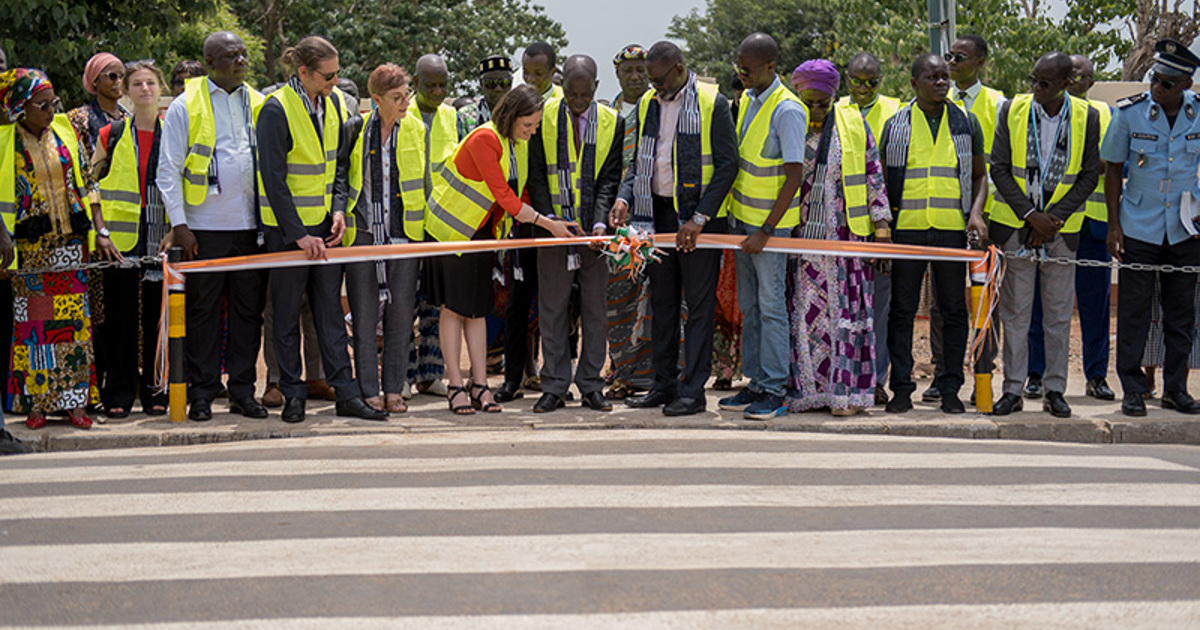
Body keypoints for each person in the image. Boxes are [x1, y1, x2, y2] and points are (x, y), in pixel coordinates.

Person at [256, 35, 386, 423]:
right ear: (303, 73)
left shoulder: (335, 105)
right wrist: (299, 234)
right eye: (327, 76)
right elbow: (273, 180)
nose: (334, 82)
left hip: (326, 229)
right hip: (287, 232)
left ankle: (345, 394)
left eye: (337, 74)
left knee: (330, 312)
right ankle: (293, 392)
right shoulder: (275, 109)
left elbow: (338, 168)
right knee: (286, 315)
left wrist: (339, 212)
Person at [425, 84, 574, 414]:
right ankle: (455, 385)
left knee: (478, 309)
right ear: (512, 116)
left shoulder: (513, 142)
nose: (533, 132)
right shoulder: (485, 139)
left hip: (480, 234)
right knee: (454, 308)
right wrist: (550, 225)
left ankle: (480, 385)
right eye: (529, 125)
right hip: (452, 231)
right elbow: (506, 197)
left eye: (535, 126)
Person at [611, 41, 738, 416]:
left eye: (660, 79)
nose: (655, 87)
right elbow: (639, 162)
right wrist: (624, 197)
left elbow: (728, 166)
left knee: (698, 309)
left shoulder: (713, 104)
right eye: (651, 81)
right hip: (657, 217)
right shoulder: (650, 103)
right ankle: (663, 385)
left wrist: (699, 219)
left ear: (680, 70)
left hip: (699, 220)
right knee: (662, 304)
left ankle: (693, 392)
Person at [159, 31, 269, 422]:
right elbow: (167, 171)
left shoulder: (259, 102)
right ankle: (203, 393)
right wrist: (181, 225)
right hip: (203, 229)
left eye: (243, 54)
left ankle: (242, 391)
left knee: (247, 312)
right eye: (230, 56)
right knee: (203, 313)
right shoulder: (184, 105)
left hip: (250, 228)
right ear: (209, 63)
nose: (241, 60)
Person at [987, 52, 1102, 418]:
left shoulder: (1088, 116)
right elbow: (1000, 169)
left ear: (1066, 84)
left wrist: (1052, 219)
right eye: (1033, 79)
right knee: (1016, 313)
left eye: (1044, 83)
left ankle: (1055, 389)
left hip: (1061, 230)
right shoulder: (1012, 110)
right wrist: (1031, 216)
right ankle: (1013, 389)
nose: (1035, 88)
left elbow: (1088, 176)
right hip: (1016, 227)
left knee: (1057, 314)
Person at [784, 59, 893, 417]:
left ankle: (846, 395)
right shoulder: (788, 123)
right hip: (801, 243)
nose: (815, 110)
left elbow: (873, 175)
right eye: (808, 103)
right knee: (805, 316)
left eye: (822, 103)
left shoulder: (852, 122)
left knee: (845, 317)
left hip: (846, 240)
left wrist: (882, 229)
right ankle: (808, 392)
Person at [880, 54, 988, 414]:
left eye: (945, 77)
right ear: (914, 83)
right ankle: (901, 388)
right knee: (902, 311)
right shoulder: (896, 125)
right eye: (933, 77)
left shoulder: (966, 123)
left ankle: (949, 387)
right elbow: (880, 183)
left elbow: (979, 176)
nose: (942, 82)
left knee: (954, 311)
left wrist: (975, 214)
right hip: (907, 232)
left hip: (950, 233)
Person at [1103, 39, 1200, 417]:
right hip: (1138, 226)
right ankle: (1132, 386)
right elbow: (1112, 168)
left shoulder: (1198, 113)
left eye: (1166, 83)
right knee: (1133, 312)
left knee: (1182, 314)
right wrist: (1114, 226)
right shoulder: (1130, 113)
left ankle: (1176, 388)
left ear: (1185, 86)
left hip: (1184, 228)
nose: (1156, 88)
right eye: (1155, 79)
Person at [716, 34, 808, 420]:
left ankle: (775, 390)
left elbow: (794, 176)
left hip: (769, 231)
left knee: (771, 308)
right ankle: (756, 382)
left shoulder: (786, 110)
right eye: (738, 66)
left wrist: (767, 230)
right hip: (744, 224)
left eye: (747, 68)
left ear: (771, 66)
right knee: (751, 306)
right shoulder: (750, 100)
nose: (741, 73)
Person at [527, 55, 623, 413]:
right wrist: (549, 220)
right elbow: (536, 175)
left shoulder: (613, 122)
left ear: (596, 88)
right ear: (560, 83)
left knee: (595, 310)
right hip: (553, 230)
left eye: (585, 95)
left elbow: (608, 180)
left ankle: (591, 385)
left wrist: (599, 225)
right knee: (552, 310)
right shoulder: (544, 115)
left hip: (594, 236)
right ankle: (554, 385)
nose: (578, 101)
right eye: (571, 93)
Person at [0, 69, 96, 430]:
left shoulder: (64, 131)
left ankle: (74, 404)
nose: (51, 110)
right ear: (21, 108)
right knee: (35, 328)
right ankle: (37, 405)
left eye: (54, 102)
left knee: (73, 326)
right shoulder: (5, 141)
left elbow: (87, 182)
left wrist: (99, 230)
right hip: (30, 247)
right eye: (43, 104)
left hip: (69, 244)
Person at [922, 34, 1007, 404]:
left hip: (985, 218)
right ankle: (945, 375)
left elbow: (991, 169)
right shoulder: (938, 99)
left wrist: (980, 213)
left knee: (985, 301)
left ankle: (983, 378)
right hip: (944, 219)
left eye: (960, 57)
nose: (952, 64)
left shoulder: (998, 104)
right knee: (944, 303)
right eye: (949, 57)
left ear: (981, 62)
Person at [1025, 54, 1115, 402]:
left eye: (1083, 77)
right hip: (1049, 225)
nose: (1076, 82)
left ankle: (1096, 375)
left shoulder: (1103, 115)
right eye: (1071, 76)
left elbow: (1111, 163)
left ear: (1091, 82)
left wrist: (1088, 161)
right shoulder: (1040, 114)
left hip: (1091, 225)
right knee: (1040, 305)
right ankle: (1036, 373)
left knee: (1095, 307)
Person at [89, 60, 174, 418]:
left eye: (150, 83)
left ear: (160, 89)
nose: (144, 89)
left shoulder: (173, 131)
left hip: (160, 240)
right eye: (136, 83)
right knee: (120, 318)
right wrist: (101, 232)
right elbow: (90, 186)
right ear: (127, 91)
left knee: (157, 318)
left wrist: (175, 229)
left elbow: (183, 185)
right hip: (119, 243)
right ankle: (120, 392)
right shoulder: (112, 134)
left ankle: (155, 390)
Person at [342, 63, 426, 414]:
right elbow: (340, 178)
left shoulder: (416, 129)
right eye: (397, 97)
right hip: (362, 234)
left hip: (405, 233)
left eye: (407, 94)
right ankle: (367, 388)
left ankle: (394, 388)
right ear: (375, 100)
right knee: (363, 316)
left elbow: (425, 180)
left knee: (401, 315)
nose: (405, 101)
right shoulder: (354, 129)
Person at [496, 41, 564, 403]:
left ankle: (557, 378)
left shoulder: (564, 105)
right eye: (528, 72)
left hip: (556, 219)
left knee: (560, 301)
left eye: (540, 73)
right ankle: (513, 376)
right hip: (522, 220)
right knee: (517, 301)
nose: (533, 79)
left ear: (555, 72)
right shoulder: (517, 103)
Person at [838, 51, 901, 406]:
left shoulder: (895, 111)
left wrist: (885, 227)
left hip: (880, 228)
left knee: (879, 308)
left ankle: (876, 379)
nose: (863, 89)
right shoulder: (835, 109)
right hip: (840, 230)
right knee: (843, 309)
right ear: (848, 80)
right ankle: (844, 376)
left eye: (871, 82)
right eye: (857, 82)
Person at [603, 44, 655, 400]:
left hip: (655, 217)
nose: (635, 76)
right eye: (628, 71)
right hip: (616, 223)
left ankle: (652, 377)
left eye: (641, 69)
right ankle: (623, 371)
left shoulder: (660, 109)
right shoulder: (609, 114)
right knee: (619, 299)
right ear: (617, 73)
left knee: (656, 301)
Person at [411, 53, 457, 398]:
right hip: (408, 226)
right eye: (431, 85)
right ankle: (402, 374)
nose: (438, 91)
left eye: (443, 85)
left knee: (436, 303)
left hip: (441, 226)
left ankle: (431, 374)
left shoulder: (452, 117)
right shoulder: (401, 113)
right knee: (403, 305)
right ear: (416, 84)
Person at [67, 52, 128, 168]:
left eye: (122, 76)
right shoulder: (78, 118)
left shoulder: (129, 119)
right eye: (112, 76)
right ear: (95, 80)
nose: (119, 81)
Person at [457, 54, 513, 139]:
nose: (498, 89)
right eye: (491, 83)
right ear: (481, 83)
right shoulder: (465, 116)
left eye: (504, 82)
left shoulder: (520, 114)